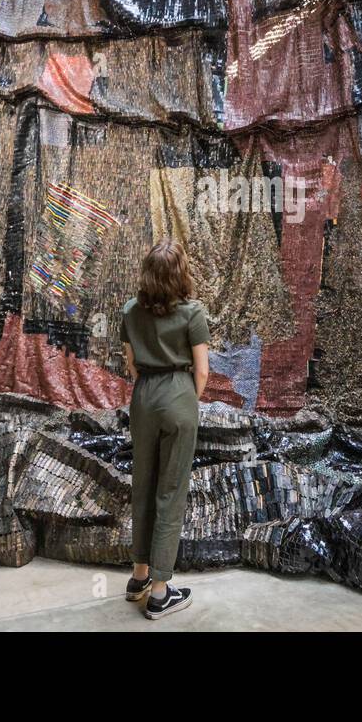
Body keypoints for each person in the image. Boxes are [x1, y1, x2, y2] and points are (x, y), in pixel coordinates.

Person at [119, 239, 210, 619]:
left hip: (143, 398)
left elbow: (131, 365)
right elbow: (202, 371)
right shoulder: (193, 314)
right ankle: (160, 592)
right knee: (170, 491)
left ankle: (139, 576)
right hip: (178, 395)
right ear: (180, 274)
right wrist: (186, 399)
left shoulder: (129, 311)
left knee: (143, 485)